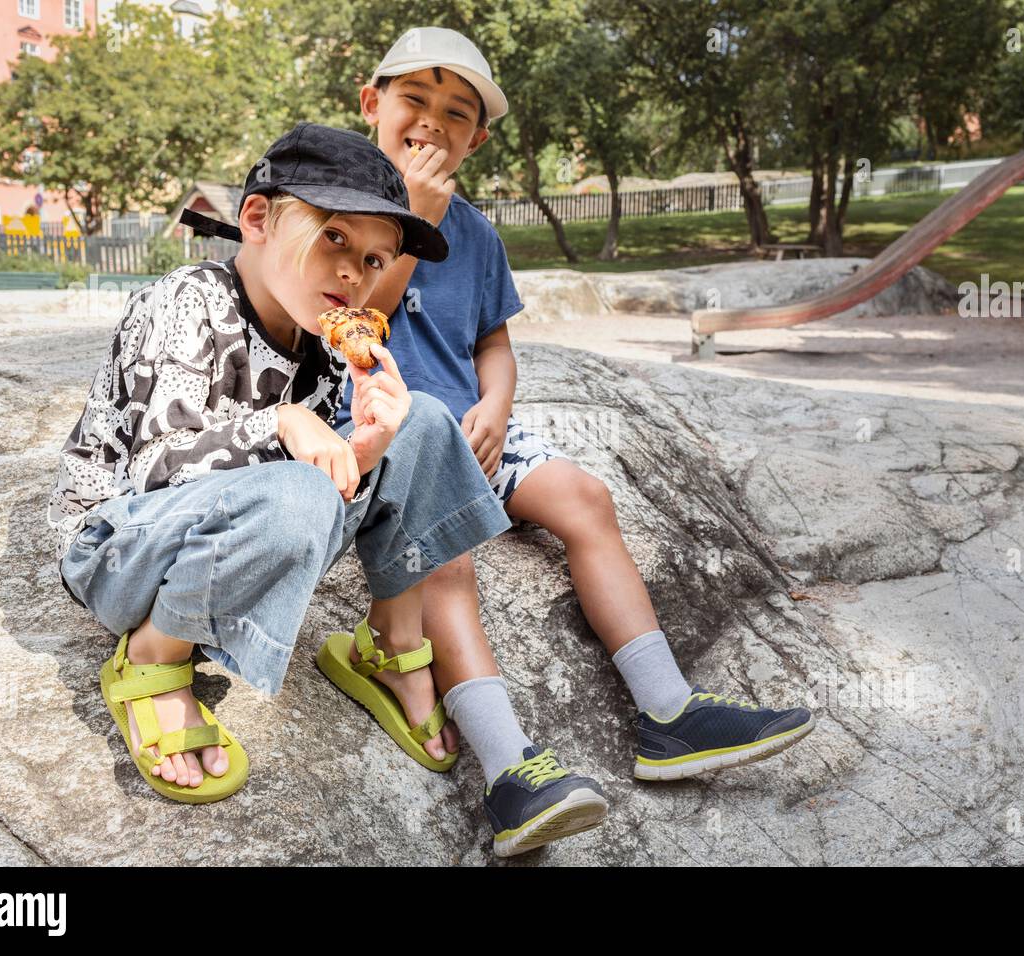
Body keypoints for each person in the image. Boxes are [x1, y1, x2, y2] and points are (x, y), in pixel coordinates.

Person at [341, 27, 815, 855]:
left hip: (475, 432)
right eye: (413, 99)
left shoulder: (479, 233)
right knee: (447, 563)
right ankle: (511, 773)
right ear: (371, 103)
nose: (433, 124)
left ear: (477, 138)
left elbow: (493, 340)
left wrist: (496, 402)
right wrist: (412, 223)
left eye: (457, 113)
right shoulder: (340, 217)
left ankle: (667, 713)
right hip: (387, 437)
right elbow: (351, 325)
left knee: (585, 499)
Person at [47, 122, 512, 804]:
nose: (355, 273)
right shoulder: (186, 301)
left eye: (377, 261)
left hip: (242, 535)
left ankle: (386, 642)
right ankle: (153, 654)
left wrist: (366, 453)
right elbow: (154, 469)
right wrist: (283, 421)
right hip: (121, 549)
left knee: (425, 422)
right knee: (300, 495)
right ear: (258, 217)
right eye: (335, 238)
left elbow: (298, 496)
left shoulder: (322, 352)